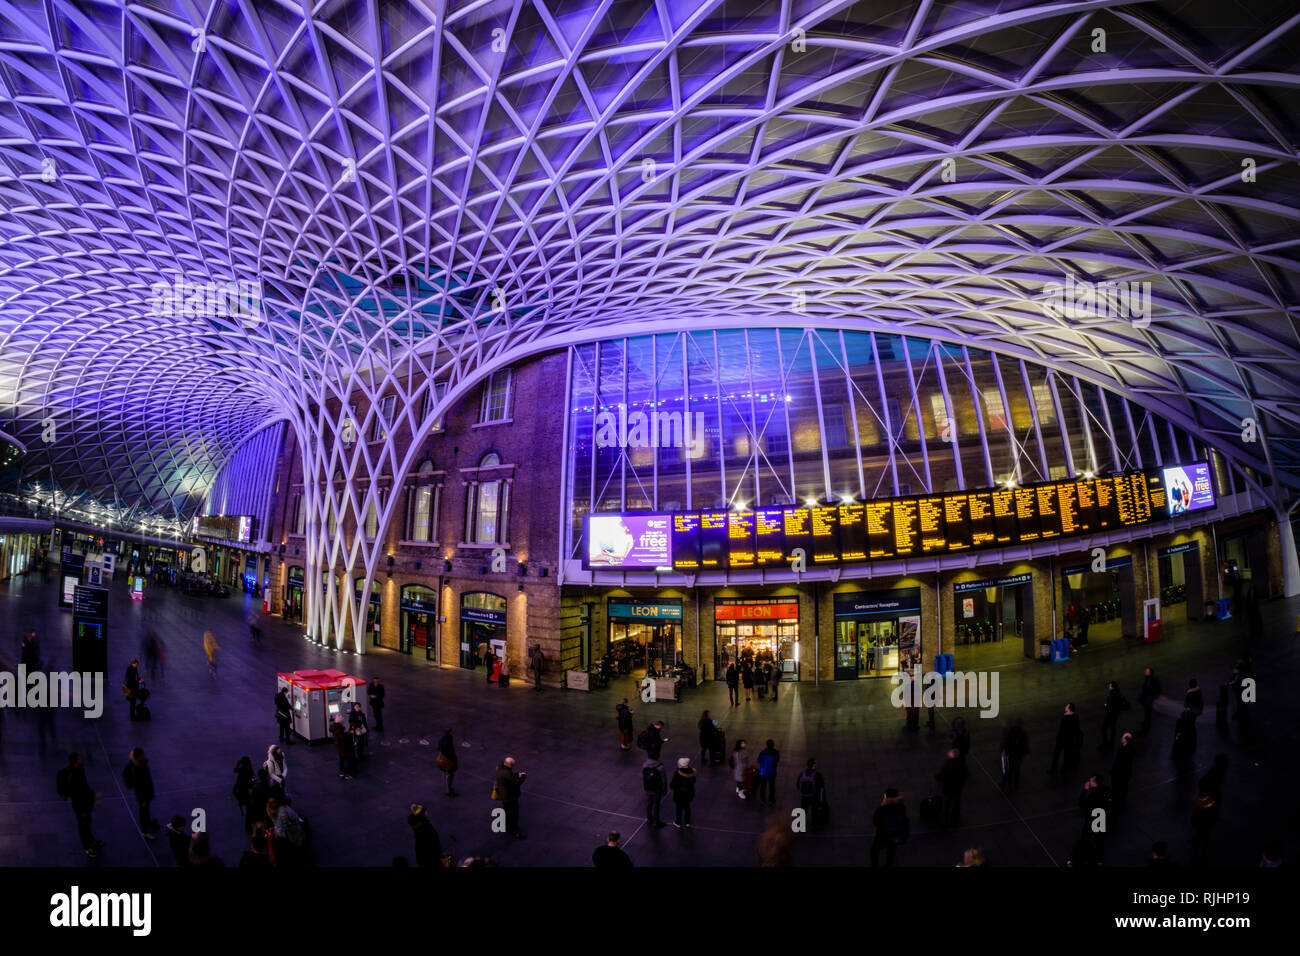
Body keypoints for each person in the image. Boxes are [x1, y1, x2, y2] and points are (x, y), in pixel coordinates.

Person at [58, 753, 103, 859]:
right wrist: (82, 809)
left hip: (86, 801)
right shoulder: (73, 774)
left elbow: (85, 785)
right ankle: (87, 847)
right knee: (83, 825)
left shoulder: (80, 769)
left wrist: (92, 795)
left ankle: (91, 841)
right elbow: (76, 794)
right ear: (75, 761)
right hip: (80, 804)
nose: (81, 759)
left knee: (87, 822)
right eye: (79, 758)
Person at [122, 747, 159, 839]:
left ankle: (148, 822)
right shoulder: (137, 769)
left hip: (145, 793)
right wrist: (143, 799)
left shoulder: (138, 764)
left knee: (146, 809)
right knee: (143, 811)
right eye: (142, 755)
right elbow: (139, 786)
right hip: (143, 795)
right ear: (138, 757)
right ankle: (145, 831)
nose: (144, 756)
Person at [871, 788, 909, 866]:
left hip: (883, 836)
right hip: (895, 835)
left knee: (874, 851)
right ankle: (889, 864)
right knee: (891, 851)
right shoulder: (902, 807)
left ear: (887, 798)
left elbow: (875, 821)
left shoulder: (881, 809)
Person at [1078, 773, 1113, 856]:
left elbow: (1081, 803)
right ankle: (1099, 857)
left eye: (1091, 781)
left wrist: (1085, 790)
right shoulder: (1106, 790)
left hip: (1092, 820)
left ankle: (1086, 855)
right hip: (1102, 819)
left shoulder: (1093, 796)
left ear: (1095, 783)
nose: (1089, 782)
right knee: (1099, 839)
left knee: (1087, 838)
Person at [495, 757, 527, 839]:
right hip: (510, 797)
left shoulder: (499, 768)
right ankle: (514, 831)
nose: (513, 766)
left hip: (503, 795)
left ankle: (506, 826)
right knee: (513, 814)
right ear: (509, 764)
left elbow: (508, 777)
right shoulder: (507, 773)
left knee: (506, 811)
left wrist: (516, 774)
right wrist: (522, 778)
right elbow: (516, 783)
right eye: (512, 765)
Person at [1048, 702, 1083, 776]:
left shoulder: (1064, 718)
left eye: (1066, 706)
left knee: (1056, 754)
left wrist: (1058, 738)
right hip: (1070, 740)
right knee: (1066, 755)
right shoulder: (1076, 716)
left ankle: (1054, 769)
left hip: (1062, 740)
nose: (1065, 707)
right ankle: (1064, 769)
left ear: (1069, 709)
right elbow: (1076, 729)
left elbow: (1061, 730)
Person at [935, 748, 967, 827]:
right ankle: (955, 818)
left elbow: (940, 776)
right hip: (957, 788)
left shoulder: (946, 765)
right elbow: (965, 775)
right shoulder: (962, 764)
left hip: (947, 789)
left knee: (946, 805)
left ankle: (944, 821)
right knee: (956, 803)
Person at [999, 718, 1028, 791]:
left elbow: (1007, 741)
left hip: (1014, 753)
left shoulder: (1014, 731)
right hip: (1015, 753)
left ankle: (1011, 784)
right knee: (1014, 769)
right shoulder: (1020, 732)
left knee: (1012, 769)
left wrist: (1004, 749)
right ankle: (1013, 785)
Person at [796, 758, 827, 823]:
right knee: (814, 811)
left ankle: (801, 825)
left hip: (804, 796)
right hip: (814, 796)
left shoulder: (802, 773)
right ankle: (813, 825)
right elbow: (821, 787)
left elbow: (797, 784)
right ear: (814, 765)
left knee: (803, 810)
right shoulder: (818, 774)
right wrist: (821, 799)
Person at [669, 757, 697, 828]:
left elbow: (673, 784)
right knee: (687, 807)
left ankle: (678, 822)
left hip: (679, 794)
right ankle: (687, 822)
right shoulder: (692, 772)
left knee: (679, 808)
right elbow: (694, 782)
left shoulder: (678, 773)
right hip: (689, 793)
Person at [1111, 733, 1136, 811]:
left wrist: (1115, 771)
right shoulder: (1125, 747)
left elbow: (1121, 762)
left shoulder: (1126, 749)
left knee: (1120, 788)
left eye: (1123, 737)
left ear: (1126, 740)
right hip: (1122, 772)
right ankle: (1120, 801)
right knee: (1122, 788)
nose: (1121, 739)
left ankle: (1119, 803)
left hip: (1122, 773)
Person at [642, 753, 668, 827]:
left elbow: (643, 776)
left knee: (649, 802)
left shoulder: (645, 765)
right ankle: (656, 822)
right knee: (656, 804)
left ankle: (649, 818)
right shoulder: (660, 767)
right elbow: (663, 780)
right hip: (657, 788)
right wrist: (664, 790)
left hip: (648, 787)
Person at [1099, 680, 1126, 749]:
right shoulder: (1117, 693)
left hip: (1111, 714)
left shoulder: (1113, 694)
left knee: (1104, 727)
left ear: (1112, 687)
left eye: (1110, 685)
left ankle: (1105, 743)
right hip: (1114, 714)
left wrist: (1105, 706)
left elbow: (1110, 705)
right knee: (1112, 728)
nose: (1109, 686)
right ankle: (1111, 742)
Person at [246, 767, 272, 835]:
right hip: (263, 811)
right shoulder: (267, 788)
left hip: (256, 810)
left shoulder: (256, 786)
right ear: (266, 777)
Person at [331, 713, 356, 779]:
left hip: (339, 747)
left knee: (341, 759)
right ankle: (348, 774)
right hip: (343, 747)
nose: (343, 722)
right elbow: (343, 738)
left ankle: (342, 772)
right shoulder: (339, 729)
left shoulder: (334, 727)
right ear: (340, 722)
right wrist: (349, 733)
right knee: (348, 760)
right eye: (342, 721)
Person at [756, 739, 780, 806]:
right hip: (772, 772)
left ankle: (762, 799)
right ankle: (771, 799)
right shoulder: (776, 752)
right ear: (773, 745)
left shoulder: (762, 752)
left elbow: (758, 760)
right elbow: (777, 761)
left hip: (763, 772)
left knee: (763, 786)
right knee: (772, 786)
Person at [437, 728, 459, 796]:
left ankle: (448, 788)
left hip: (443, 759)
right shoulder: (448, 740)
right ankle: (448, 791)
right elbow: (450, 752)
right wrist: (454, 760)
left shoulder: (442, 739)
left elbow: (439, 748)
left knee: (447, 774)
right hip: (448, 760)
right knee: (449, 774)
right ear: (450, 732)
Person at [1137, 667, 1160, 734]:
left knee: (1148, 711)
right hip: (1146, 698)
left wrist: (1153, 696)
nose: (1145, 672)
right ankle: (1146, 722)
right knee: (1147, 711)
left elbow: (1157, 689)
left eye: (1147, 671)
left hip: (1149, 698)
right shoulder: (1147, 678)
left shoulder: (1152, 680)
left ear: (1150, 672)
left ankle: (1146, 725)